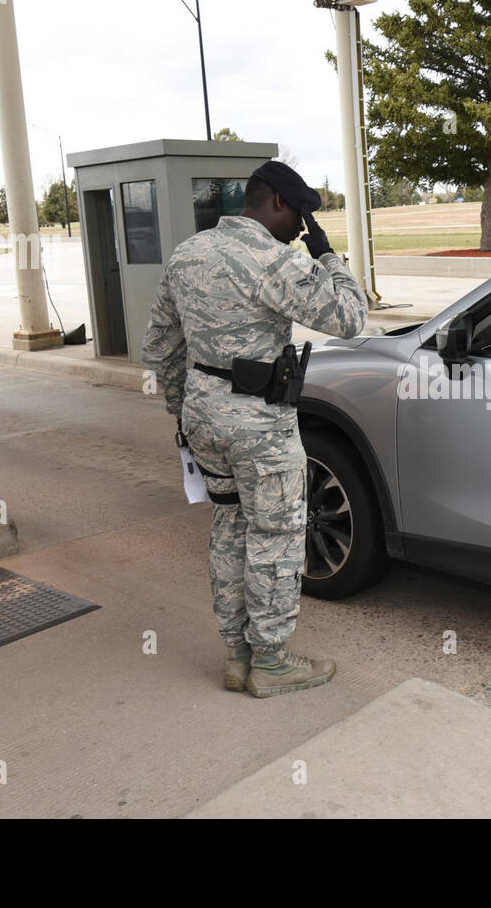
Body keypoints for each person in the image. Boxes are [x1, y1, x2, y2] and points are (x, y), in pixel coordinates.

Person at [141, 160, 368, 698]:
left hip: (204, 414)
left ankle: (237, 658)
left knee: (230, 528)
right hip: (259, 425)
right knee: (276, 535)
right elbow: (351, 317)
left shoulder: (189, 252)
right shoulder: (272, 259)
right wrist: (328, 256)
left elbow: (159, 348)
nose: (302, 229)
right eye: (302, 217)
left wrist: (186, 412)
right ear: (279, 205)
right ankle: (271, 661)